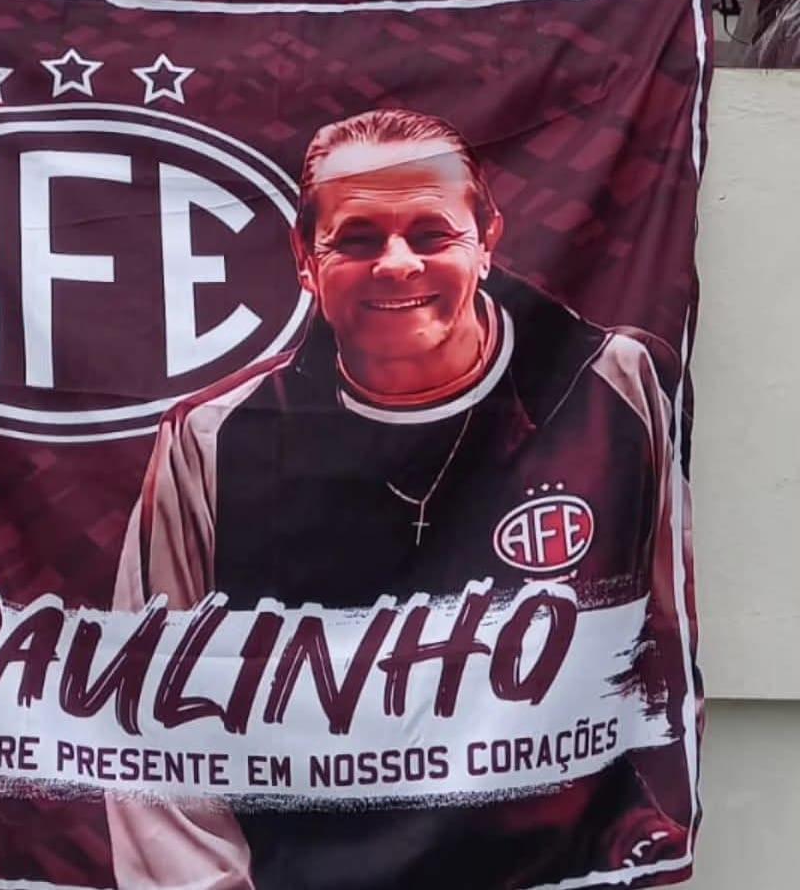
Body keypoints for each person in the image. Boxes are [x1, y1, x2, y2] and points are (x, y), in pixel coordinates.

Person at [111, 106, 688, 890]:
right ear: (305, 258)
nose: (396, 264)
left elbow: (667, 665)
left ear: (487, 238)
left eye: (430, 233)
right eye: (356, 239)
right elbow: (152, 727)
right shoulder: (214, 440)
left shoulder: (614, 385)